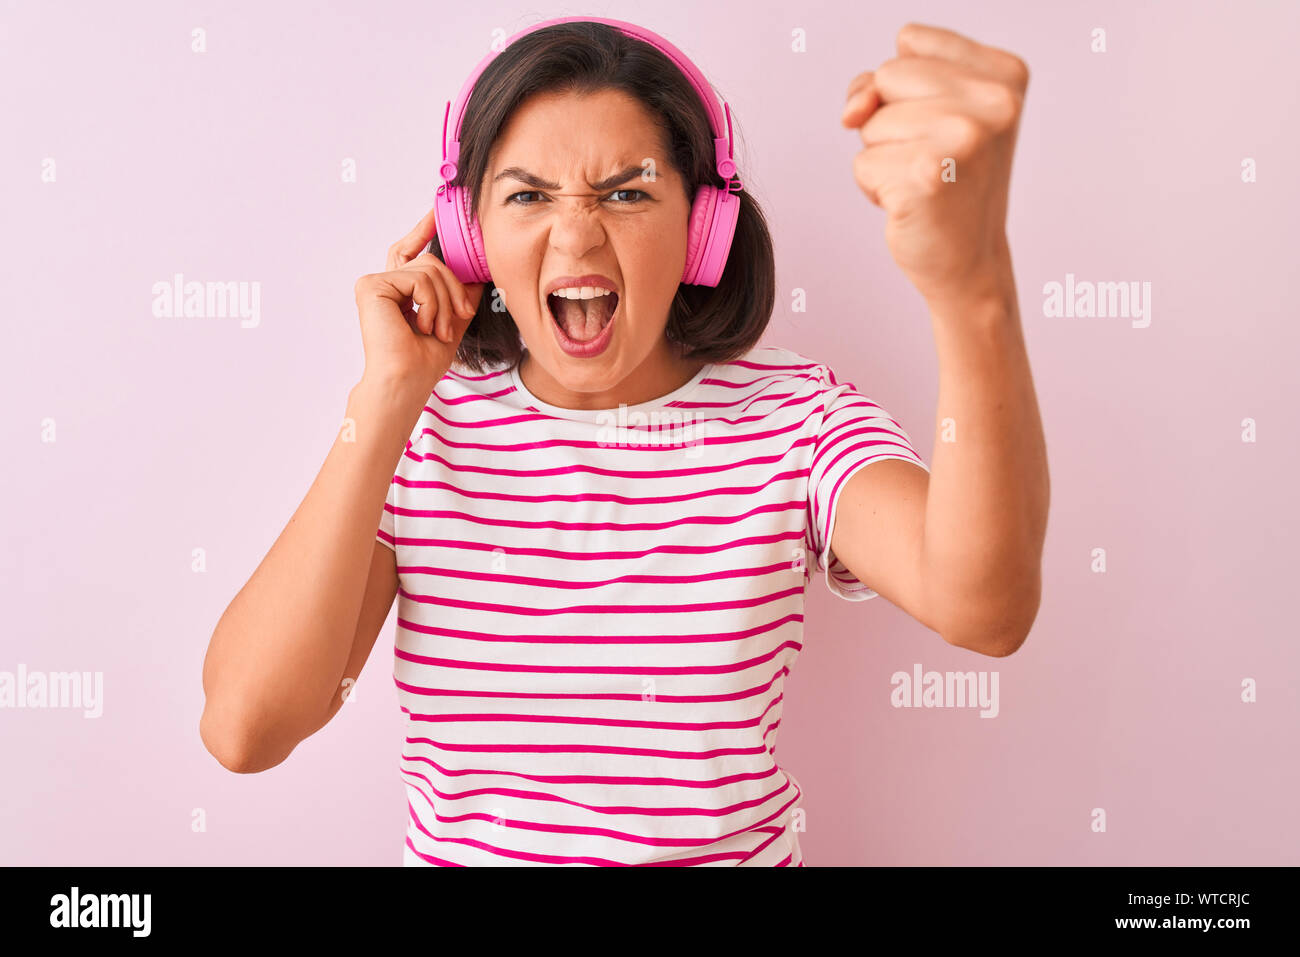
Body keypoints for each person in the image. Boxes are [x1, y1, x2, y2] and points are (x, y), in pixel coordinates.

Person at [200, 19, 1048, 867]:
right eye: (528, 195)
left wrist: (972, 285)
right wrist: (386, 397)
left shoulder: (797, 419)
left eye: (627, 192)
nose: (576, 237)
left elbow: (984, 606)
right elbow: (245, 727)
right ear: (469, 236)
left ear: (703, 230)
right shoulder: (421, 431)